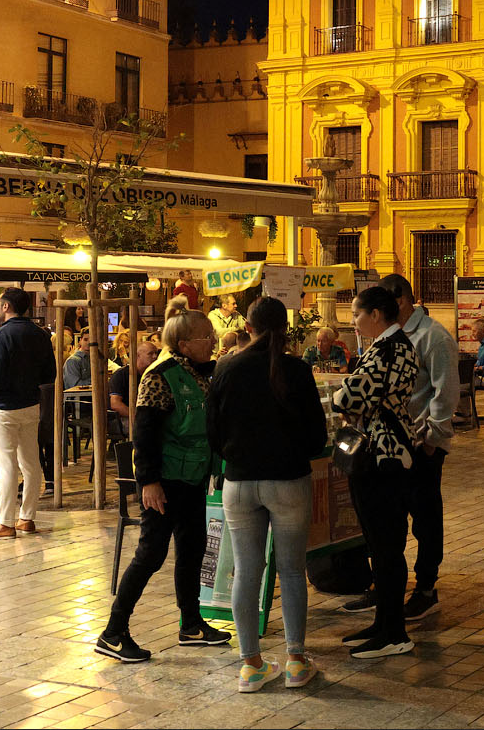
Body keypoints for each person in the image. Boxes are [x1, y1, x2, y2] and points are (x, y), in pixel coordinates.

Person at [207, 296, 328, 692]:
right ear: (284, 326)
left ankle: (251, 666)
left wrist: (236, 456)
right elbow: (317, 435)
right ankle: (295, 661)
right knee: (292, 570)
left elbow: (213, 431)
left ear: (248, 325)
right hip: (288, 480)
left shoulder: (227, 367)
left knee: (246, 570)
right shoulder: (297, 369)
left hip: (239, 482)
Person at [95, 308, 231, 661]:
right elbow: (145, 432)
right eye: (206, 337)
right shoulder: (161, 376)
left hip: (192, 477)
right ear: (183, 344)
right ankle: (113, 632)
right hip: (165, 480)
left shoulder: (201, 373)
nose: (212, 342)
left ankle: (191, 624)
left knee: (192, 550)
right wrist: (149, 482)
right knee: (151, 554)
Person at [331, 287, 421, 658]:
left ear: (376, 315)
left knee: (386, 547)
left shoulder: (392, 348)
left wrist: (343, 395)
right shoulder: (384, 347)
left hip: (386, 457)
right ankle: (384, 622)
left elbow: (348, 396)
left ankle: (395, 633)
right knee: (378, 545)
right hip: (377, 454)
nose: (353, 320)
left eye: (356, 313)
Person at [0, 290, 53, 540]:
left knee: (5, 465)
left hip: (3, 409)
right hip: (30, 406)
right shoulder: (40, 334)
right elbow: (49, 375)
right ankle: (26, 519)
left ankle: (4, 524)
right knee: (31, 464)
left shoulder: (0, 336)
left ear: (6, 306)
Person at [110, 339, 160, 423]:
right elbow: (115, 404)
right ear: (137, 356)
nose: (155, 357)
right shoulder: (121, 374)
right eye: (150, 354)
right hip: (124, 418)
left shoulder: (155, 375)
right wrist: (137, 416)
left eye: (156, 353)